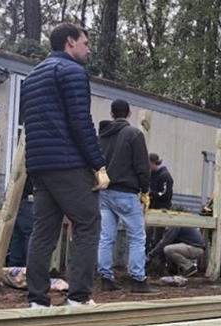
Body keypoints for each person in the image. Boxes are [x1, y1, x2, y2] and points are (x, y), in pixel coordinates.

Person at [20, 23, 109, 308]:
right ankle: (78, 297)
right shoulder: (72, 72)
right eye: (85, 42)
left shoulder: (32, 77)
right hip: (68, 164)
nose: (88, 48)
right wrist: (98, 164)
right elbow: (80, 122)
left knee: (43, 231)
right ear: (70, 42)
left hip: (39, 166)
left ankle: (37, 300)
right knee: (88, 223)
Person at [96, 99, 158, 294]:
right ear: (129, 113)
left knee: (106, 237)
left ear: (112, 113)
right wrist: (145, 190)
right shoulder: (134, 134)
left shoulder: (102, 136)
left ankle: (106, 278)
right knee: (137, 237)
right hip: (126, 192)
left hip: (105, 192)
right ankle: (138, 280)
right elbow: (142, 165)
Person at [6, 177, 34, 267]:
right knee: (30, 236)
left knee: (18, 237)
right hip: (30, 201)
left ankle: (13, 270)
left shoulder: (23, 167)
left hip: (18, 201)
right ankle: (29, 270)